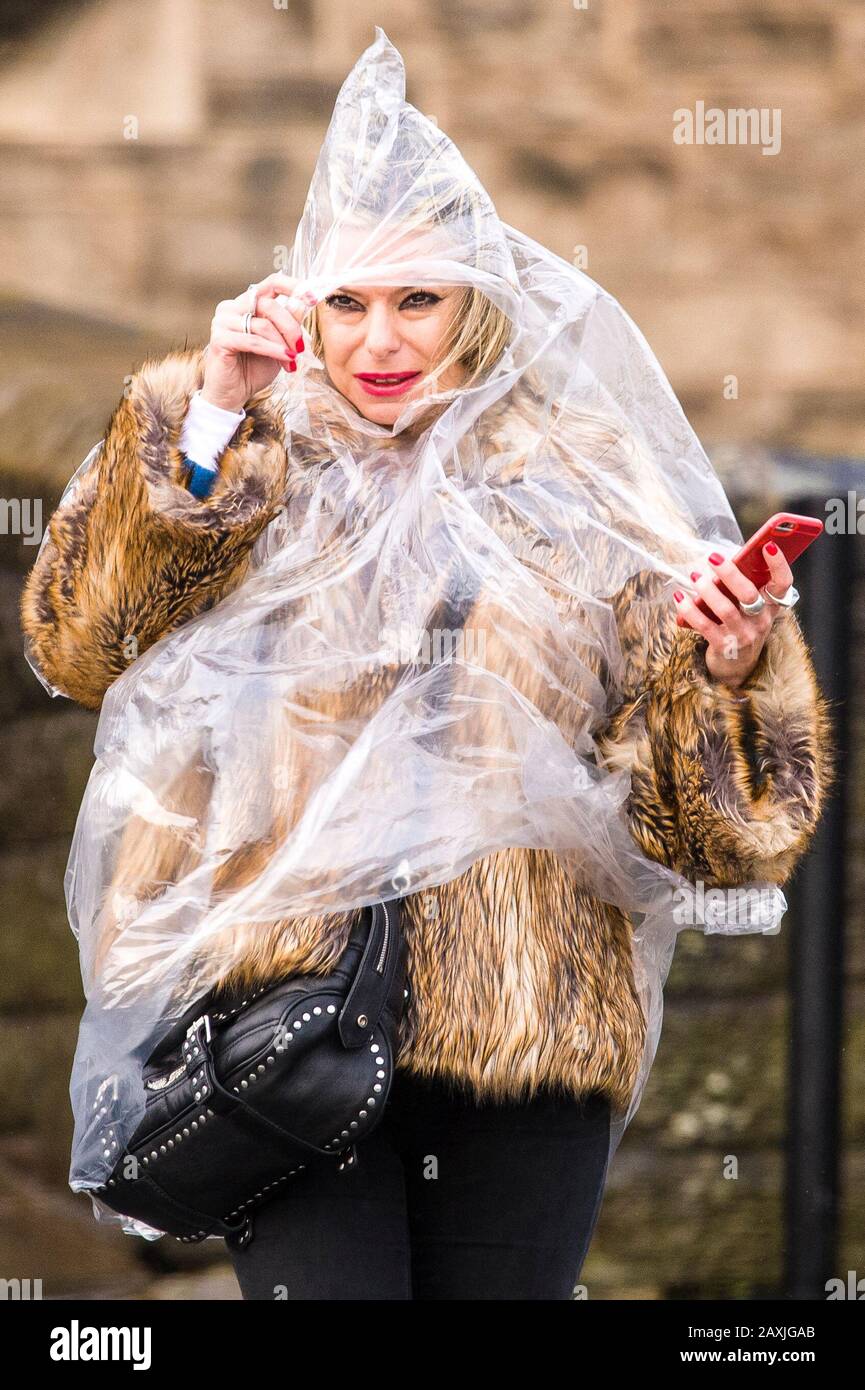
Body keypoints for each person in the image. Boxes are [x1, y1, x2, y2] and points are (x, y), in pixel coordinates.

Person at [19, 29, 832, 1300]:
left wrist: (726, 671)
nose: (380, 339)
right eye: (347, 300)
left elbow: (718, 837)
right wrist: (213, 419)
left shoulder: (585, 484)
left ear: (478, 303)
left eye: (418, 299)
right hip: (278, 1018)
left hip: (526, 1030)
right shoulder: (250, 459)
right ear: (304, 305)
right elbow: (82, 647)